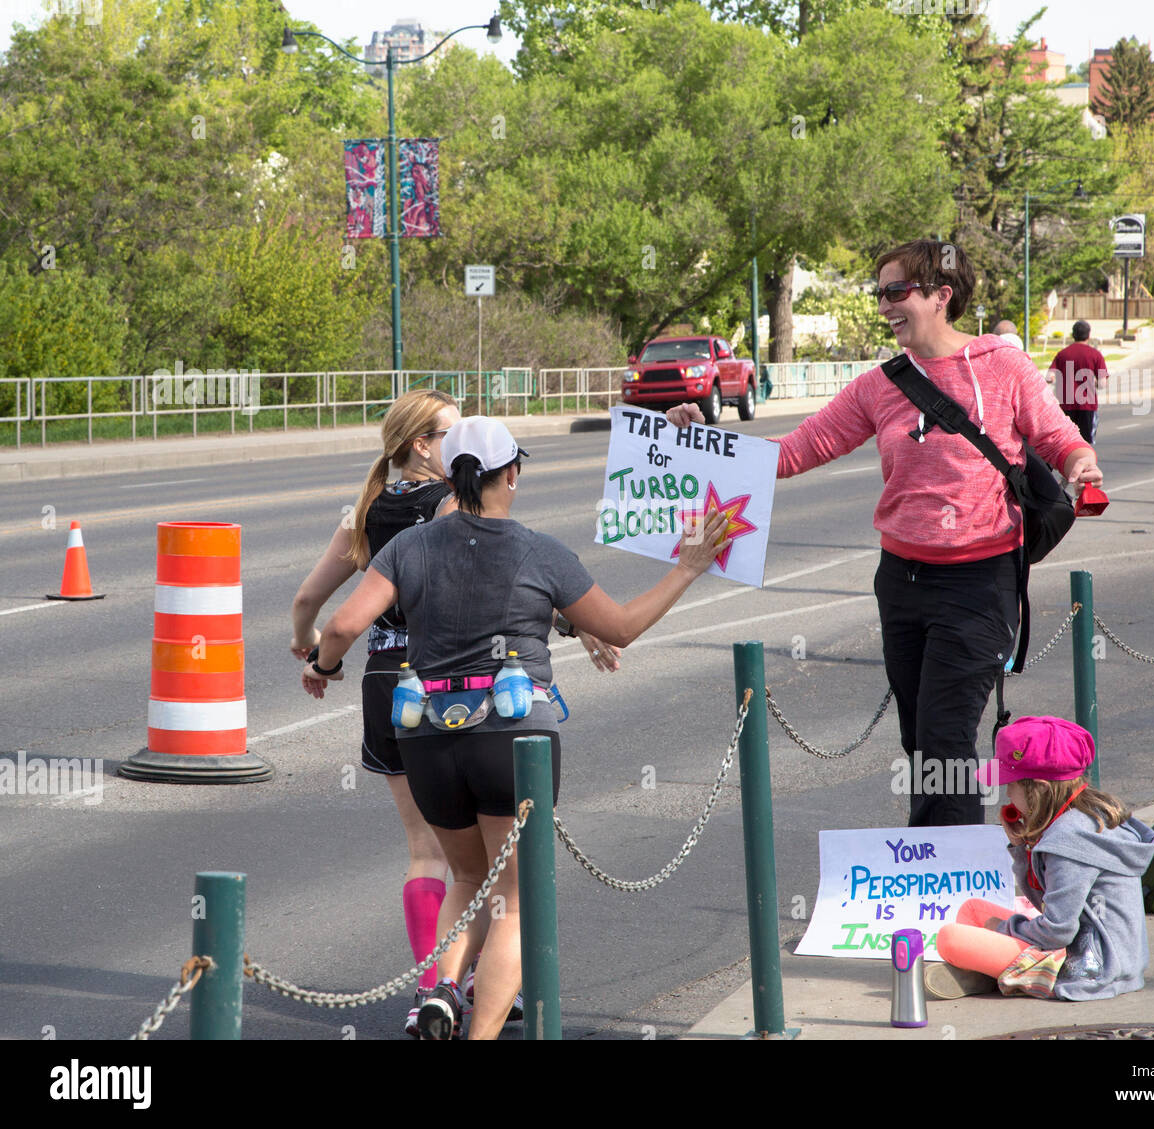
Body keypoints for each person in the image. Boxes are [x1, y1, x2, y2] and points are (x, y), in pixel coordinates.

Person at [304, 416, 731, 1040]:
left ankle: (442, 991)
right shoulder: (541, 551)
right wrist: (688, 567)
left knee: (467, 878)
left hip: (424, 736)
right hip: (511, 738)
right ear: (513, 473)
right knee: (511, 898)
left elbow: (341, 625)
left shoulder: (408, 547)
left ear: (451, 476)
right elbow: (619, 627)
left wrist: (322, 665)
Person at [670, 239, 1102, 827]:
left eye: (897, 292)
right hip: (901, 582)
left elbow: (1056, 436)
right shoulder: (881, 385)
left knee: (945, 744)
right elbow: (793, 452)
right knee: (921, 741)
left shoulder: (1002, 365)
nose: (885, 306)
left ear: (941, 295)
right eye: (881, 294)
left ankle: (941, 886)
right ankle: (947, 882)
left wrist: (1080, 462)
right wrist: (697, 438)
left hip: (979, 582)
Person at [290, 391, 621, 1037]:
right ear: (422, 444)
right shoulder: (451, 504)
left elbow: (312, 598)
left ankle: (433, 987)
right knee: (501, 879)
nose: (455, 441)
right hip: (445, 682)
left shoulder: (366, 508)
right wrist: (570, 620)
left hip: (385, 685)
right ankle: (476, 986)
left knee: (427, 854)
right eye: (447, 430)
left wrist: (312, 653)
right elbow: (486, 583)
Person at [923, 715, 1154, 1001]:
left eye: (1011, 784)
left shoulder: (1069, 838)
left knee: (950, 938)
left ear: (1040, 790)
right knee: (972, 910)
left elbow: (1057, 930)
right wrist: (1022, 847)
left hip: (1089, 967)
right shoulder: (1083, 817)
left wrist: (1001, 930)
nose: (1006, 792)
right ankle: (1001, 973)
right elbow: (1048, 905)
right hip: (1113, 956)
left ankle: (998, 973)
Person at [1048, 320, 1109, 445]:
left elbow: (1049, 377)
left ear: (1073, 334)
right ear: (1088, 335)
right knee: (1086, 444)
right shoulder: (1095, 355)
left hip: (1066, 405)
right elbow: (1102, 384)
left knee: (1067, 443)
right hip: (1087, 405)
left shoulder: (1062, 354)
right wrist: (1094, 383)